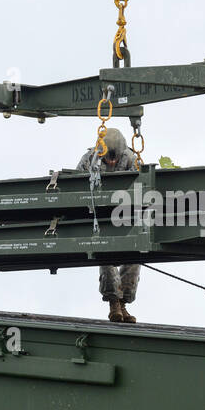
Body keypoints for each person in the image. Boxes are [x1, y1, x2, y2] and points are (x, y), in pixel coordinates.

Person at [77, 127, 140, 323]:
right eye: (108, 158)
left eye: (115, 157)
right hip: (99, 216)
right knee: (106, 257)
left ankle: (124, 303)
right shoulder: (89, 160)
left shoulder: (131, 159)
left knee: (135, 256)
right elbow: (76, 187)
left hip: (125, 214)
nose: (112, 161)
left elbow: (142, 184)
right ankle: (114, 302)